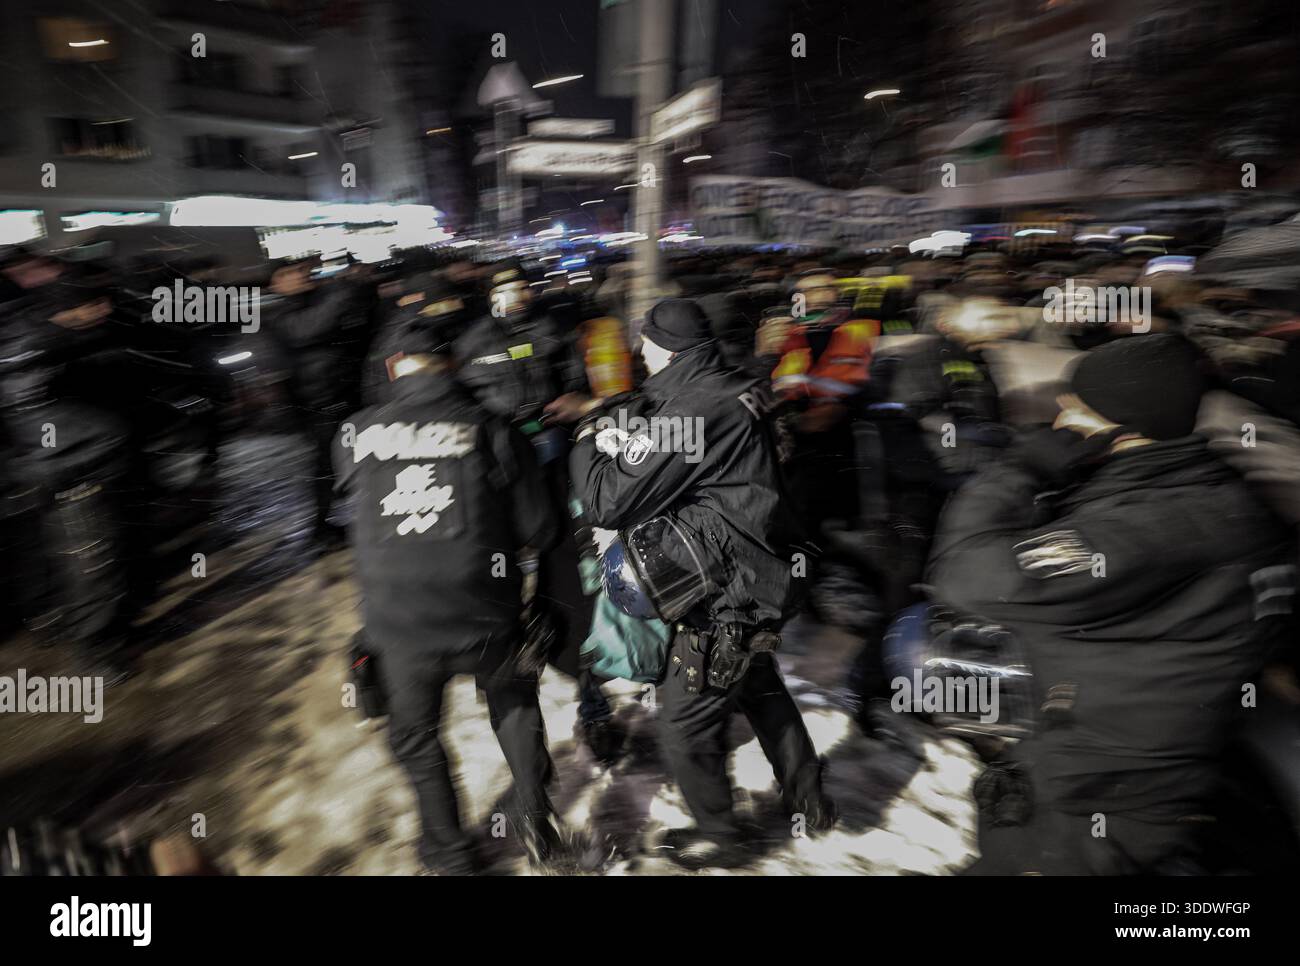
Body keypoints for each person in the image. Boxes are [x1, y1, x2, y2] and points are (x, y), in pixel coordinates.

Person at [928, 334, 1296, 874]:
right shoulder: (1217, 493)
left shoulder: (1140, 530)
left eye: (1075, 408)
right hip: (1134, 783)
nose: (1059, 421)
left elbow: (964, 576)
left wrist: (1020, 469)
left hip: (1093, 802)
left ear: (1124, 422)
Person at [569, 298, 835, 870]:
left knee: (683, 721)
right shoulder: (739, 384)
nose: (639, 352)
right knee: (757, 680)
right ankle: (807, 796)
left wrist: (589, 438)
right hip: (771, 564)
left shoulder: (691, 409)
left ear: (666, 345)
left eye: (646, 342)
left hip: (726, 587)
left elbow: (607, 499)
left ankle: (720, 834)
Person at [333, 322, 564, 874]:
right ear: (452, 367)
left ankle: (450, 852)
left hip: (399, 623)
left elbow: (350, 504)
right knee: (512, 704)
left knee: (414, 738)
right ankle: (536, 819)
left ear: (393, 368)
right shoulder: (493, 430)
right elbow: (539, 527)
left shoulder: (353, 432)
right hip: (484, 613)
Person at [262, 255, 360, 549]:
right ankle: (321, 529)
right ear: (275, 282)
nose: (301, 275)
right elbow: (308, 329)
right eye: (291, 272)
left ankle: (332, 522)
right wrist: (341, 292)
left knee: (337, 463)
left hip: (333, 396)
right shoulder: (275, 311)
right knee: (325, 468)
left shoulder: (308, 302)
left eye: (303, 270)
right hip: (315, 403)